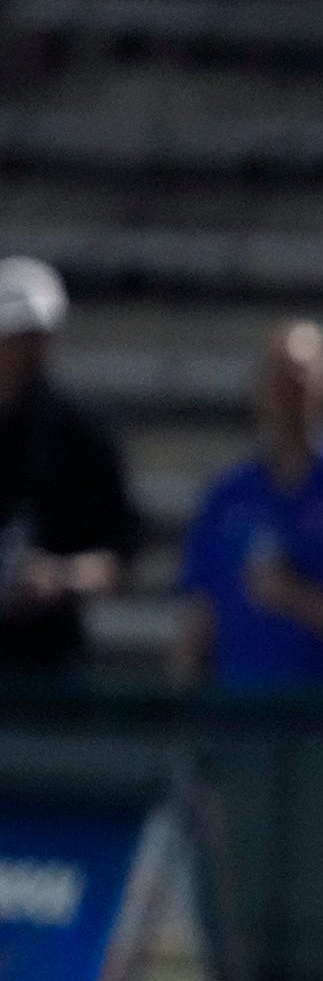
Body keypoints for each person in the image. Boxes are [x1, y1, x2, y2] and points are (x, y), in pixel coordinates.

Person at [172, 320, 323, 695]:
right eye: (278, 379)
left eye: (300, 380)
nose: (288, 395)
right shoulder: (230, 495)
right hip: (246, 704)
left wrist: (294, 595)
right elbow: (202, 608)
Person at [0, 257, 140, 674]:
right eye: (17, 336)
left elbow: (121, 552)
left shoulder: (80, 434)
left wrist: (62, 577)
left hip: (48, 664)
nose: (27, 350)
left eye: (36, 336)